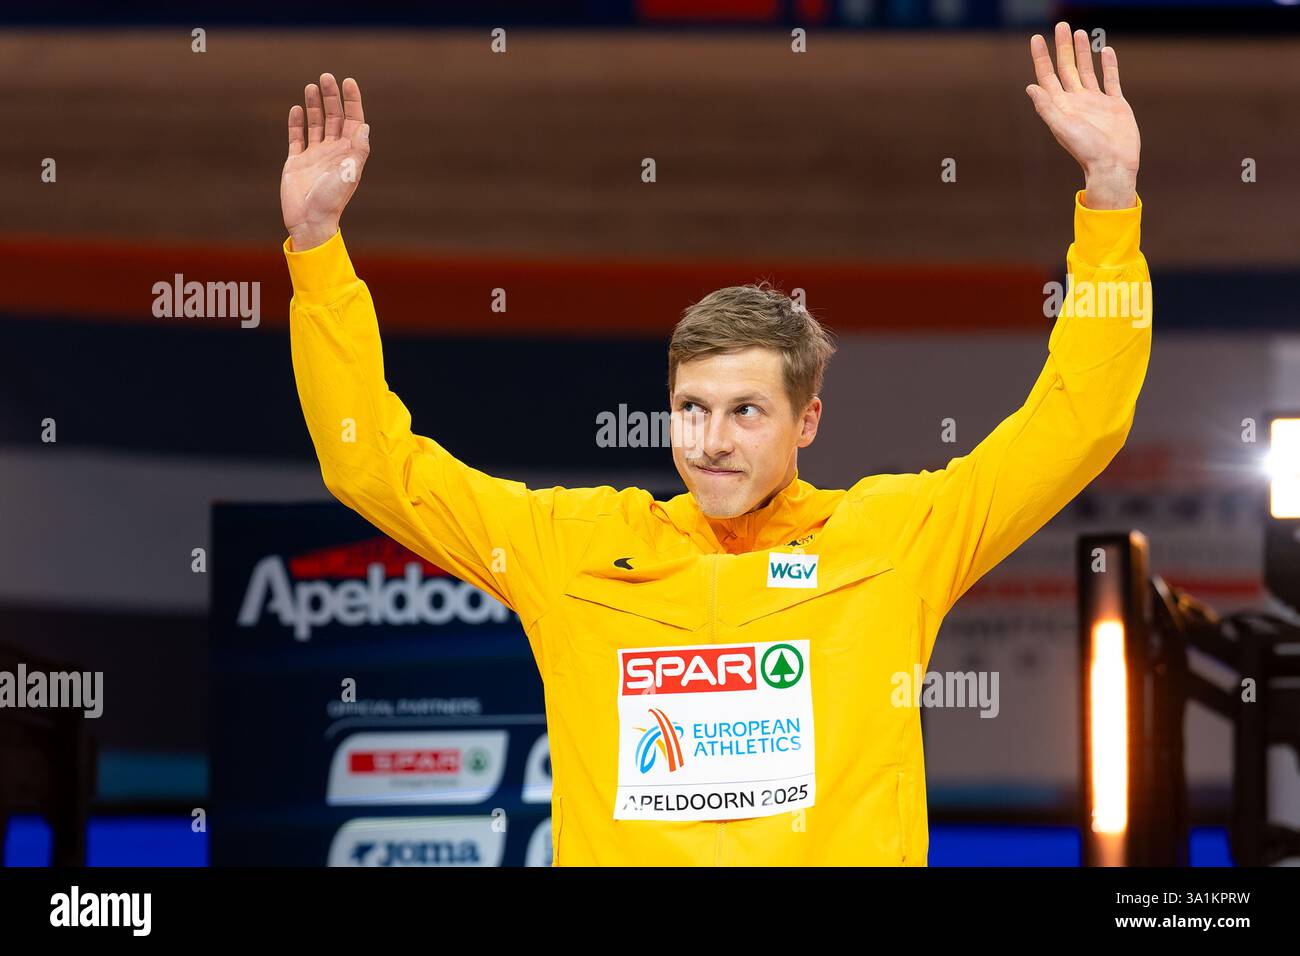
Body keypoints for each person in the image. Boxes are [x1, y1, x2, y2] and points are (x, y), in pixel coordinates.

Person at [281, 21, 1150, 865]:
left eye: (746, 411)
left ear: (807, 422)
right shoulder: (572, 550)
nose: (711, 441)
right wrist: (318, 250)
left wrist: (1110, 197)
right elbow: (372, 466)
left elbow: (1077, 424)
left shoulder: (895, 540)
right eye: (691, 408)